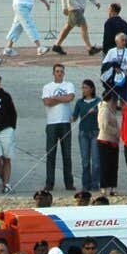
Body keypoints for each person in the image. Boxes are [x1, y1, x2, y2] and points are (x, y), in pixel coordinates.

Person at [41, 63, 77, 193]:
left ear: (64, 73)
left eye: (61, 71)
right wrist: (61, 98)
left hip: (65, 123)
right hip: (52, 123)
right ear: (53, 73)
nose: (59, 73)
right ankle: (49, 183)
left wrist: (55, 97)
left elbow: (70, 97)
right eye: (57, 71)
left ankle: (69, 183)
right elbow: (47, 102)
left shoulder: (69, 85)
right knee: (51, 154)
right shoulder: (47, 87)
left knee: (66, 154)